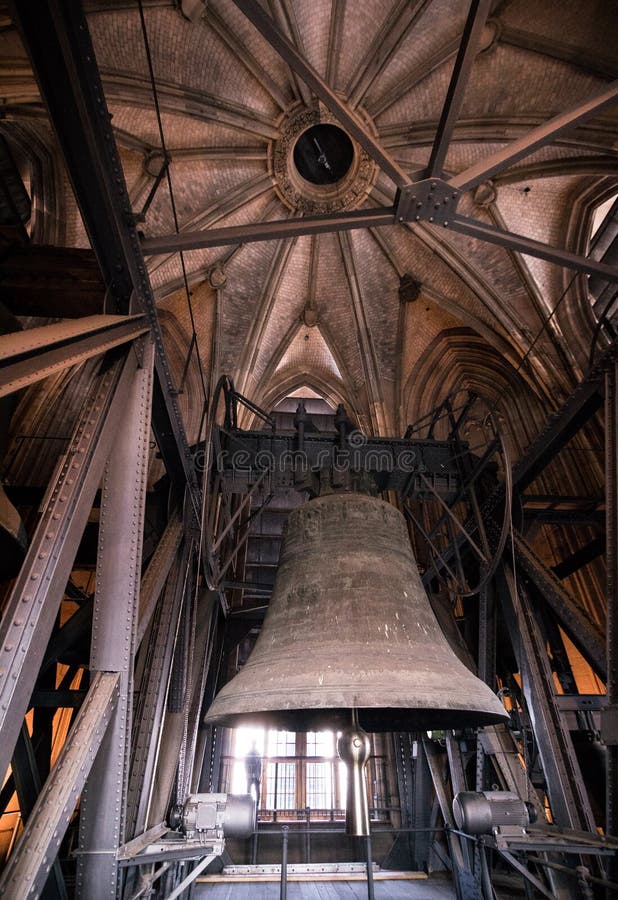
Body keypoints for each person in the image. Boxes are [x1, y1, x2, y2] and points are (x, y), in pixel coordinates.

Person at [245, 740, 262, 809]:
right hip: (250, 774)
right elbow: (246, 764)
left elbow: (259, 765)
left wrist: (259, 775)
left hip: (255, 775)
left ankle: (257, 805)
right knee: (249, 791)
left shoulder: (257, 753)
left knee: (257, 791)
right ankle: (249, 804)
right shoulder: (249, 753)